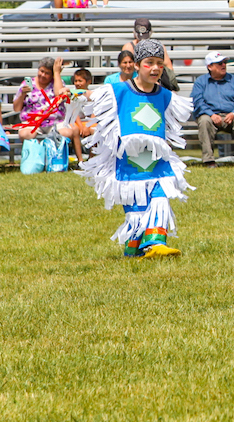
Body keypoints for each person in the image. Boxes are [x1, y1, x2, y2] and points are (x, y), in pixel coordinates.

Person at [81, 38, 192, 258]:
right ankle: (134, 247)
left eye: (160, 63)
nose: (155, 68)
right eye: (149, 62)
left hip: (157, 159)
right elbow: (92, 96)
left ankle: (156, 244)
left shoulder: (164, 95)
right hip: (128, 160)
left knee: (160, 196)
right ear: (138, 65)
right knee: (136, 205)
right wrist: (73, 93)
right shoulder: (120, 90)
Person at [189, 51, 234, 166]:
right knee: (204, 121)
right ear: (210, 67)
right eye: (219, 63)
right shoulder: (201, 82)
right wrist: (211, 114)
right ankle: (209, 161)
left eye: (224, 62)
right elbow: (197, 101)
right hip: (210, 116)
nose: (223, 65)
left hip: (232, 116)